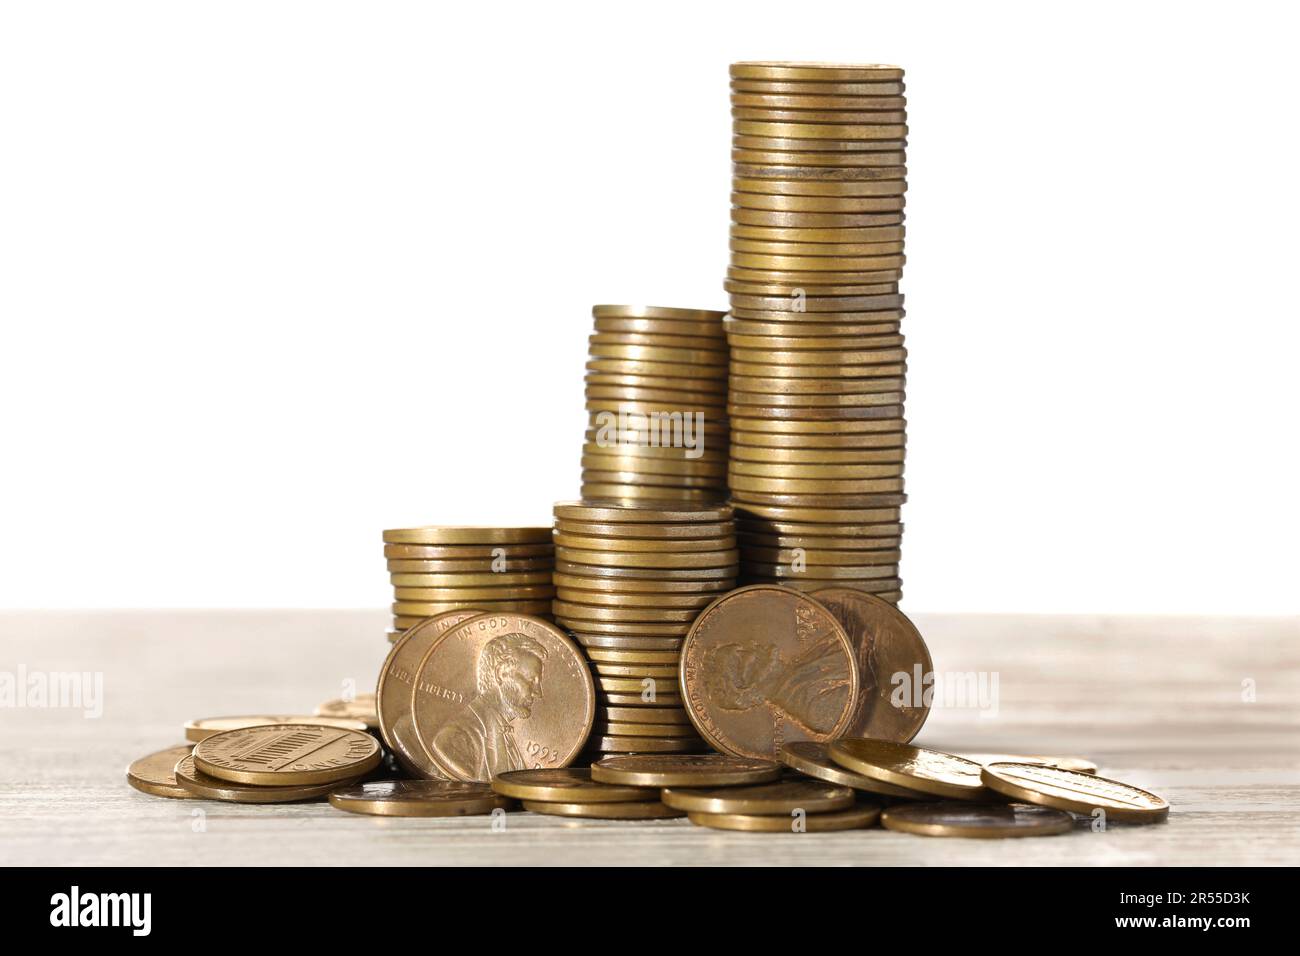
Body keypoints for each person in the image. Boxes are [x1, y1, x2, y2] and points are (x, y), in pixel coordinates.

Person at [430, 632, 548, 781]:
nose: (538, 693)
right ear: (501, 673)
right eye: (531, 680)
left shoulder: (503, 732)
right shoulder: (456, 738)